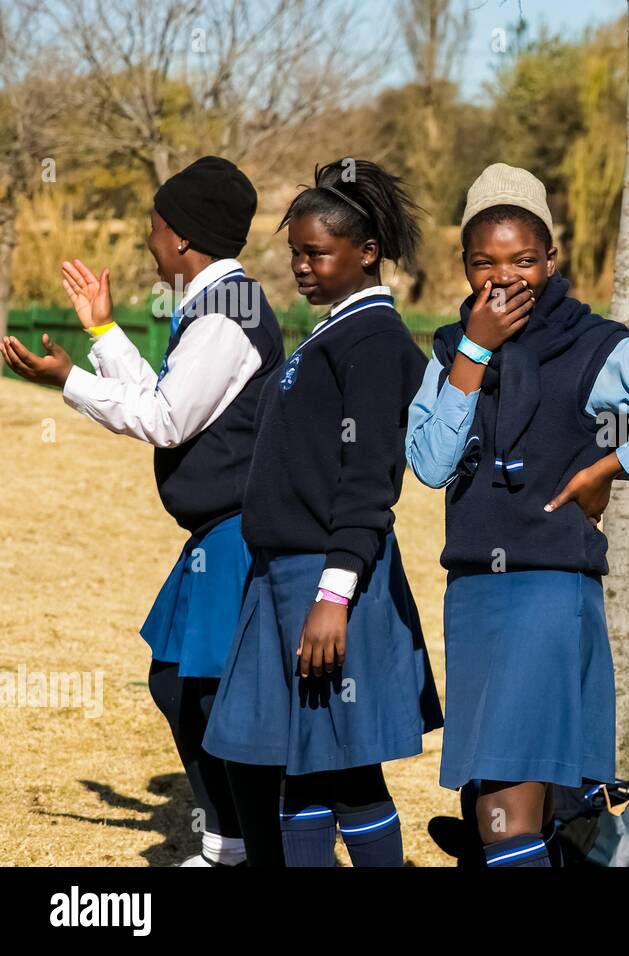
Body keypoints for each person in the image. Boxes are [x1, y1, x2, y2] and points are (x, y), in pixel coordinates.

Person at [405, 163, 629, 867]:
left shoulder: (594, 347)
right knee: (488, 798)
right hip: (473, 595)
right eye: (484, 263)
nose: (505, 279)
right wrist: (474, 350)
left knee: (507, 814)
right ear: (463, 266)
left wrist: (610, 467)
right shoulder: (446, 352)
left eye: (524, 260)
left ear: (551, 259)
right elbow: (432, 465)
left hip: (549, 593)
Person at [1, 156, 283, 867]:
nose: (148, 240)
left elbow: (163, 419)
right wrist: (102, 334)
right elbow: (169, 392)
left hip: (235, 533)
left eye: (155, 227)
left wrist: (70, 379)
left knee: (208, 690)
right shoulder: (217, 306)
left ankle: (246, 841)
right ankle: (231, 838)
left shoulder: (231, 313)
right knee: (176, 677)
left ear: (183, 237)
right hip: (212, 533)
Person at [202, 159, 442, 867]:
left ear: (365, 253)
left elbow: (369, 481)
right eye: (295, 254)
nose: (301, 267)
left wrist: (333, 595)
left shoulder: (373, 339)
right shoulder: (331, 333)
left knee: (346, 768)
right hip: (279, 579)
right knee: (299, 764)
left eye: (317, 253)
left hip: (330, 580)